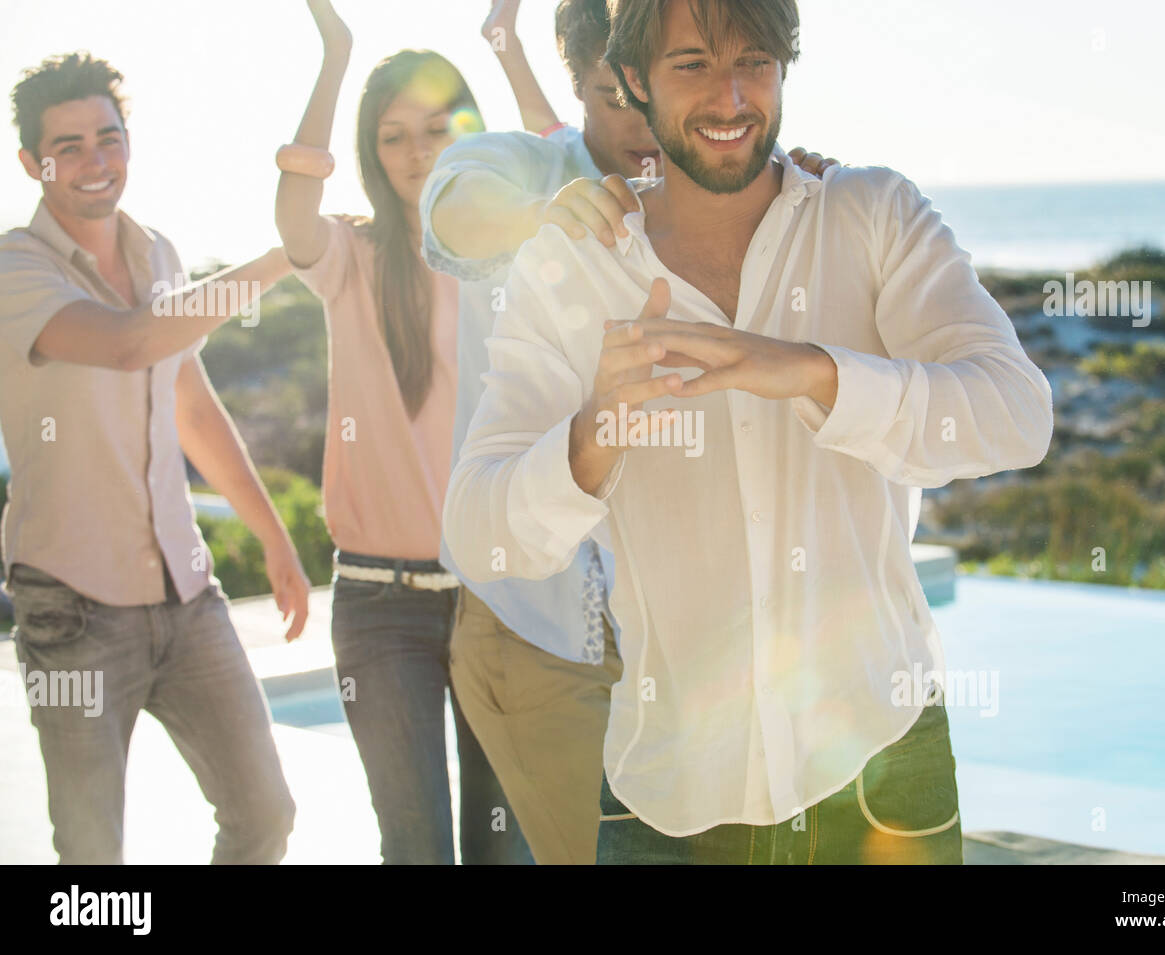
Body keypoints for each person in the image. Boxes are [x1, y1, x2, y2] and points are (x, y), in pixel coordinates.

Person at [443, 0, 1054, 864]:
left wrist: (810, 370)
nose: (731, 97)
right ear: (632, 83)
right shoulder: (568, 267)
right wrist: (592, 437)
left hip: (886, 767)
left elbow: (1016, 414)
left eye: (756, 61)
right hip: (672, 798)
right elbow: (477, 533)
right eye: (692, 64)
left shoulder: (874, 213)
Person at [422, 0, 837, 864]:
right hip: (548, 631)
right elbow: (452, 208)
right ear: (582, 87)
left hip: (686, 640)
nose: (647, 124)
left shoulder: (724, 180)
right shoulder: (525, 169)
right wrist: (545, 222)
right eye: (618, 98)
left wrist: (798, 200)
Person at [0, 52, 304, 864]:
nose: (97, 161)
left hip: (187, 594)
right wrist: (286, 256)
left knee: (264, 814)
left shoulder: (159, 255)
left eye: (110, 136)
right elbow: (132, 345)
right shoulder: (13, 270)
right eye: (69, 146)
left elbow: (193, 407)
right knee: (93, 860)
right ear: (33, 163)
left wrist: (275, 539)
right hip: (71, 611)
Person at [273, 0, 530, 865]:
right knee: (415, 848)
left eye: (436, 127)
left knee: (508, 851)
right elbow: (294, 209)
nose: (417, 150)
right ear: (371, 152)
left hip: (500, 598)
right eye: (392, 135)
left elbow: (577, 170)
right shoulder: (348, 256)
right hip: (381, 608)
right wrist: (335, 52)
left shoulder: (515, 255)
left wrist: (509, 46)